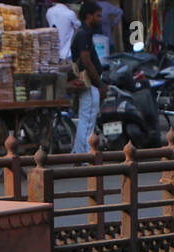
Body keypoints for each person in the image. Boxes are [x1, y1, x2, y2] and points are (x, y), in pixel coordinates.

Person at [72, 1, 106, 153]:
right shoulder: (84, 34)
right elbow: (86, 61)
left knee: (85, 121)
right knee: (87, 122)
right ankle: (86, 155)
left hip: (88, 83)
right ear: (88, 16)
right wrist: (99, 84)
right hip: (88, 84)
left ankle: (79, 154)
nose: (100, 19)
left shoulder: (83, 33)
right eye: (98, 16)